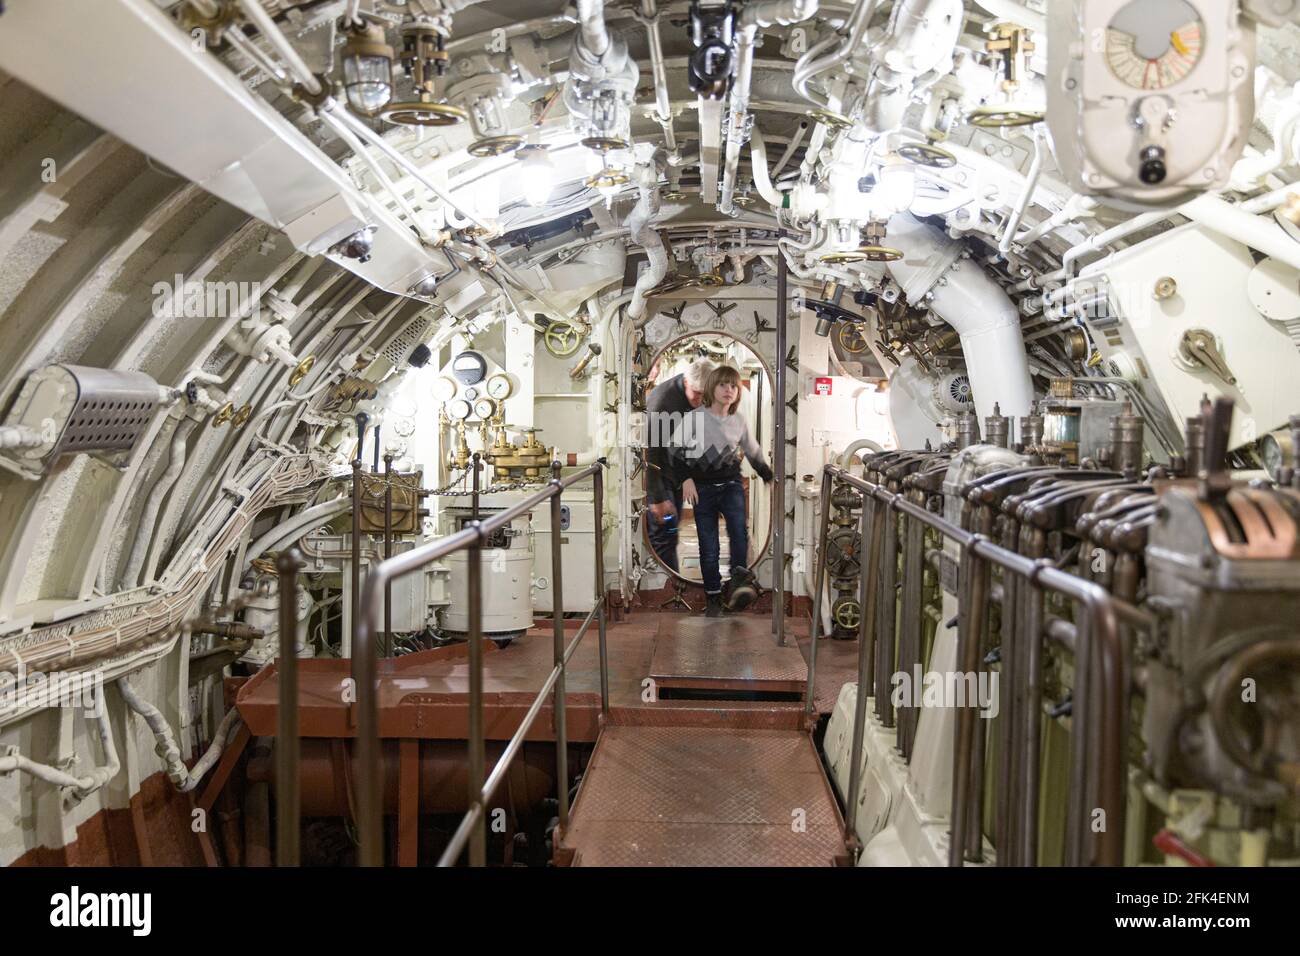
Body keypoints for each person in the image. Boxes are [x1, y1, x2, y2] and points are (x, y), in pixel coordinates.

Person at [670, 365, 773, 617]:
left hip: (731, 486)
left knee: (739, 533)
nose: (729, 390)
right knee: (709, 546)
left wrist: (770, 477)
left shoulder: (738, 421)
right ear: (711, 388)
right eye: (723, 385)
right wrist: (686, 480)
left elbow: (753, 451)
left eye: (734, 386)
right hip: (703, 490)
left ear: (738, 393)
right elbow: (674, 451)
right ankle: (714, 597)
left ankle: (738, 580)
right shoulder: (695, 418)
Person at [644, 357, 712, 572]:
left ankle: (672, 582)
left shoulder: (696, 398)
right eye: (697, 394)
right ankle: (666, 588)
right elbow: (651, 453)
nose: (701, 400)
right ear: (685, 383)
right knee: (663, 536)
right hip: (659, 477)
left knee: (672, 532)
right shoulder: (663, 401)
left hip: (675, 475)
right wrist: (657, 498)